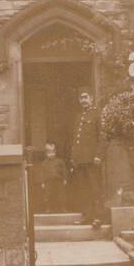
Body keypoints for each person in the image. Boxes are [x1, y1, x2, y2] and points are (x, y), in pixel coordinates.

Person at [68, 90, 105, 227]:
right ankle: (87, 216)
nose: (83, 100)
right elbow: (76, 140)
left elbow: (103, 137)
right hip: (80, 160)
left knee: (95, 188)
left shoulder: (97, 114)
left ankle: (98, 217)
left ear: (92, 98)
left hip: (92, 159)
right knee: (84, 189)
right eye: (81, 98)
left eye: (85, 97)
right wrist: (74, 157)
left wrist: (99, 155)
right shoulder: (79, 116)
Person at [33, 142, 67, 213]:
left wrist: (65, 179)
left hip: (59, 180)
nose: (51, 154)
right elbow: (42, 173)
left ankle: (62, 207)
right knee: (48, 195)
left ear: (55, 152)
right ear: (46, 153)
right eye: (49, 153)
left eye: (53, 152)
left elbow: (64, 170)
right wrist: (42, 182)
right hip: (48, 181)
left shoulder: (60, 161)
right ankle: (48, 208)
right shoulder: (44, 163)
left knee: (61, 194)